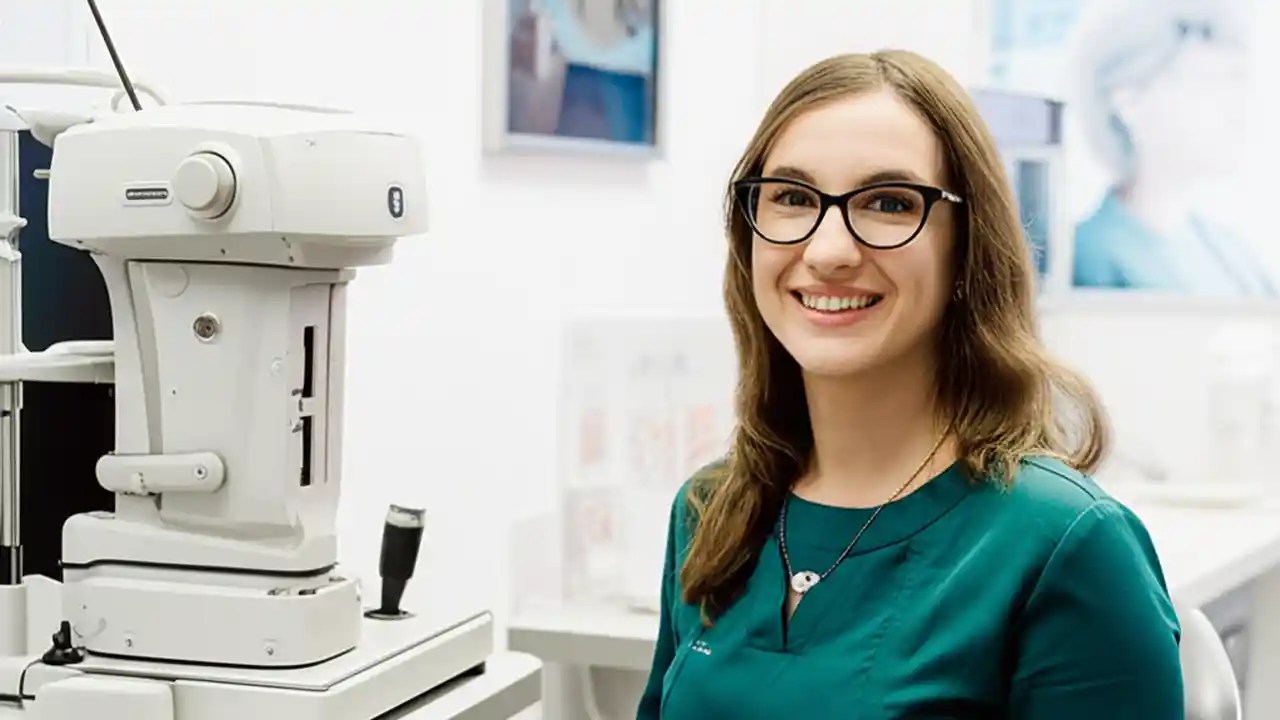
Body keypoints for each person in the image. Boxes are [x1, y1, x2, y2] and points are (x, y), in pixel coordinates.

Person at [637, 50, 1183, 718]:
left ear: (966, 248)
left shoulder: (1066, 545)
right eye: (791, 198)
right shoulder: (711, 509)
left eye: (889, 203)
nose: (829, 250)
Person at [1069, 0, 1273, 296]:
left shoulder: (1233, 253)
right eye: (1212, 81)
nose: (1237, 109)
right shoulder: (1088, 259)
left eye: (1238, 82)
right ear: (1128, 101)